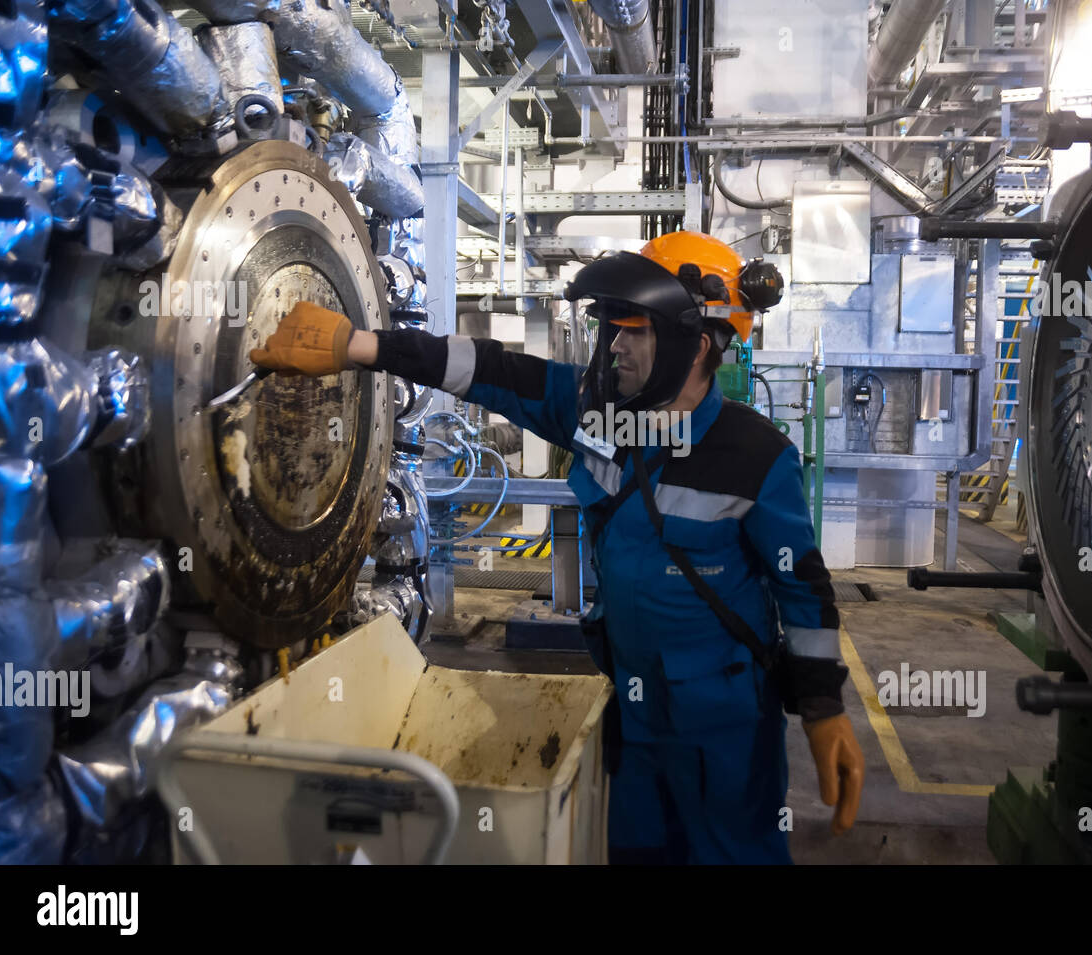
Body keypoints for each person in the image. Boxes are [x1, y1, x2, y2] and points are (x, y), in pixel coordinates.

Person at [250, 231, 865, 864]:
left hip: (724, 732)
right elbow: (484, 368)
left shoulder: (756, 457)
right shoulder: (594, 411)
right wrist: (359, 346)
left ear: (696, 344)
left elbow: (802, 589)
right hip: (628, 712)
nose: (615, 346)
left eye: (634, 332)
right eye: (613, 329)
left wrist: (822, 709)